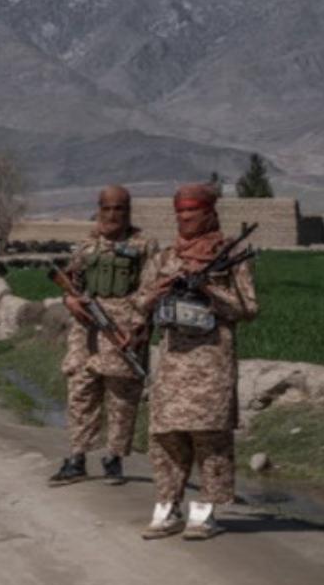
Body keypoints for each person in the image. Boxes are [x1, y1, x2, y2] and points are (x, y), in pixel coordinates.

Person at [132, 182, 259, 541]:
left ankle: (205, 510)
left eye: (192, 213)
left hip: (212, 360)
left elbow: (247, 308)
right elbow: (138, 304)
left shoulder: (231, 254)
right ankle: (167, 505)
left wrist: (207, 289)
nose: (185, 220)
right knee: (165, 435)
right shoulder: (164, 257)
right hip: (172, 361)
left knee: (210, 436)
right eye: (180, 214)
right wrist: (156, 293)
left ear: (209, 213)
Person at [49, 185, 157, 487]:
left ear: (128, 211)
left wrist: (136, 326)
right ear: (98, 209)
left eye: (119, 209)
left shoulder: (144, 245)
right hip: (86, 330)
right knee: (80, 391)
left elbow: (151, 290)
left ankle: (114, 457)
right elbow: (71, 282)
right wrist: (70, 302)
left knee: (121, 396)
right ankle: (77, 457)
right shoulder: (86, 246)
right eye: (106, 208)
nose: (112, 215)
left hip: (122, 329)